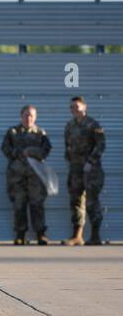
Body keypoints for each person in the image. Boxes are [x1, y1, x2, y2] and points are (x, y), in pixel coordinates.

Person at [1, 104, 52, 246]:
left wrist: (31, 151)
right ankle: (20, 235)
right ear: (21, 116)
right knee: (19, 205)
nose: (28, 118)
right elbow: (5, 149)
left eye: (31, 115)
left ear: (35, 117)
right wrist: (19, 153)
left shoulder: (41, 133)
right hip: (16, 176)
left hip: (35, 177)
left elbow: (46, 150)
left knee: (37, 204)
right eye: (26, 115)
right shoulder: (12, 132)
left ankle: (41, 234)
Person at [63, 96, 106, 246]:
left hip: (91, 170)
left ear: (84, 107)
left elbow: (101, 146)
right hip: (75, 169)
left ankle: (95, 236)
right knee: (75, 201)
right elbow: (67, 146)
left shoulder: (93, 125)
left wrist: (91, 162)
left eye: (77, 106)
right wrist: (70, 162)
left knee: (92, 202)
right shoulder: (69, 126)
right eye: (72, 107)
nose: (74, 109)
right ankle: (77, 236)